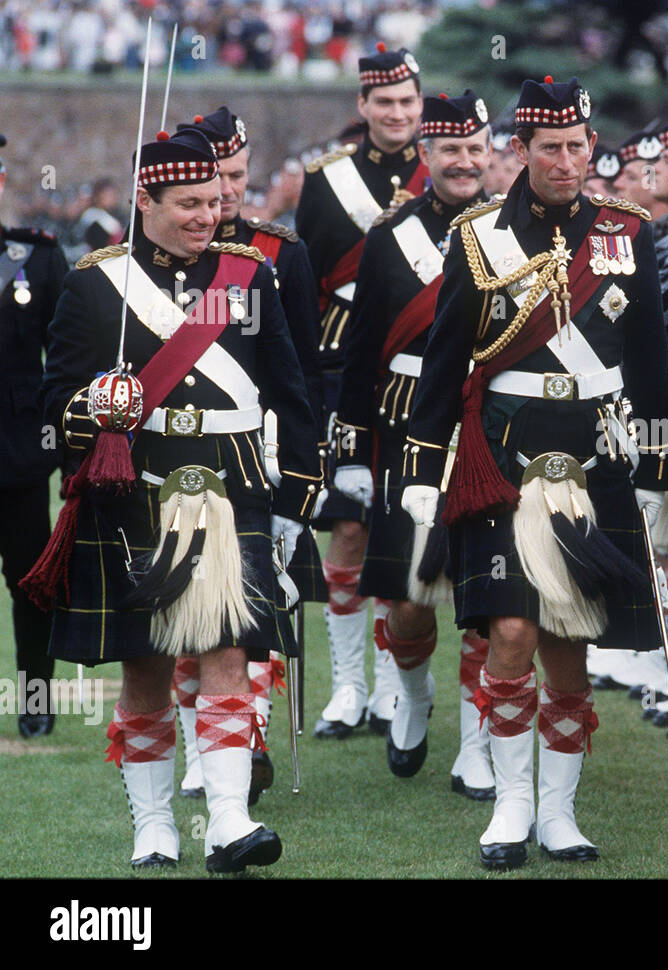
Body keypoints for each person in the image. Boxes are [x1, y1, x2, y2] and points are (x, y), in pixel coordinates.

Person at [400, 75, 668, 870]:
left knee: (568, 643)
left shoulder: (628, 230)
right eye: (549, 147)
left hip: (596, 452)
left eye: (577, 146)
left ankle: (558, 812)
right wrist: (424, 467)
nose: (566, 161)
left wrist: (660, 465)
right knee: (512, 631)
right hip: (503, 455)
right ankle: (512, 803)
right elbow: (446, 360)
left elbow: (652, 361)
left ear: (593, 145)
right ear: (517, 150)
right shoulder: (478, 234)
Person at [27, 127, 321, 872]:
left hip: (232, 487)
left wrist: (292, 507)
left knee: (227, 649)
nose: (207, 214)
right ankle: (154, 824)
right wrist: (100, 402)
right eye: (188, 204)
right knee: (147, 664)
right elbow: (54, 406)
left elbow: (292, 394)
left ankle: (227, 821)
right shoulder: (95, 284)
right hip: (135, 494)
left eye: (214, 201)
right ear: (144, 200)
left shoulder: (250, 278)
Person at [331, 89, 496, 794]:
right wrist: (348, 451)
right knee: (408, 599)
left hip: (489, 425)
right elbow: (361, 347)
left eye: (475, 149)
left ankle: (481, 743)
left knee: (492, 600)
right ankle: (415, 691)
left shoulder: (513, 231)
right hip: (406, 430)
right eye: (450, 150)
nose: (463, 162)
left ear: (491, 155)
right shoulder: (388, 237)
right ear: (426, 156)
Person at [165, 105, 326, 804]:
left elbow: (302, 383)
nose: (224, 194)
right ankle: (204, 743)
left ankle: (245, 730)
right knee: (179, 613)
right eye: (212, 179)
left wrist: (298, 487)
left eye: (234, 176)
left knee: (252, 609)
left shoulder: (280, 255)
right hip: (176, 456)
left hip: (256, 454)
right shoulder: (146, 261)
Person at [296, 43, 428, 739]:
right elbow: (307, 285)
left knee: (401, 529)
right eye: (385, 102)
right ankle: (349, 684)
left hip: (416, 382)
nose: (398, 113)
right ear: (364, 107)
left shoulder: (450, 177)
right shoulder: (326, 183)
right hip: (343, 378)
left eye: (408, 102)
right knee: (346, 526)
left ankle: (392, 686)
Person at [0, 144, 68, 737]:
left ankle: (36, 696)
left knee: (31, 582)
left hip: (17, 456)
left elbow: (67, 356)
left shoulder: (37, 258)